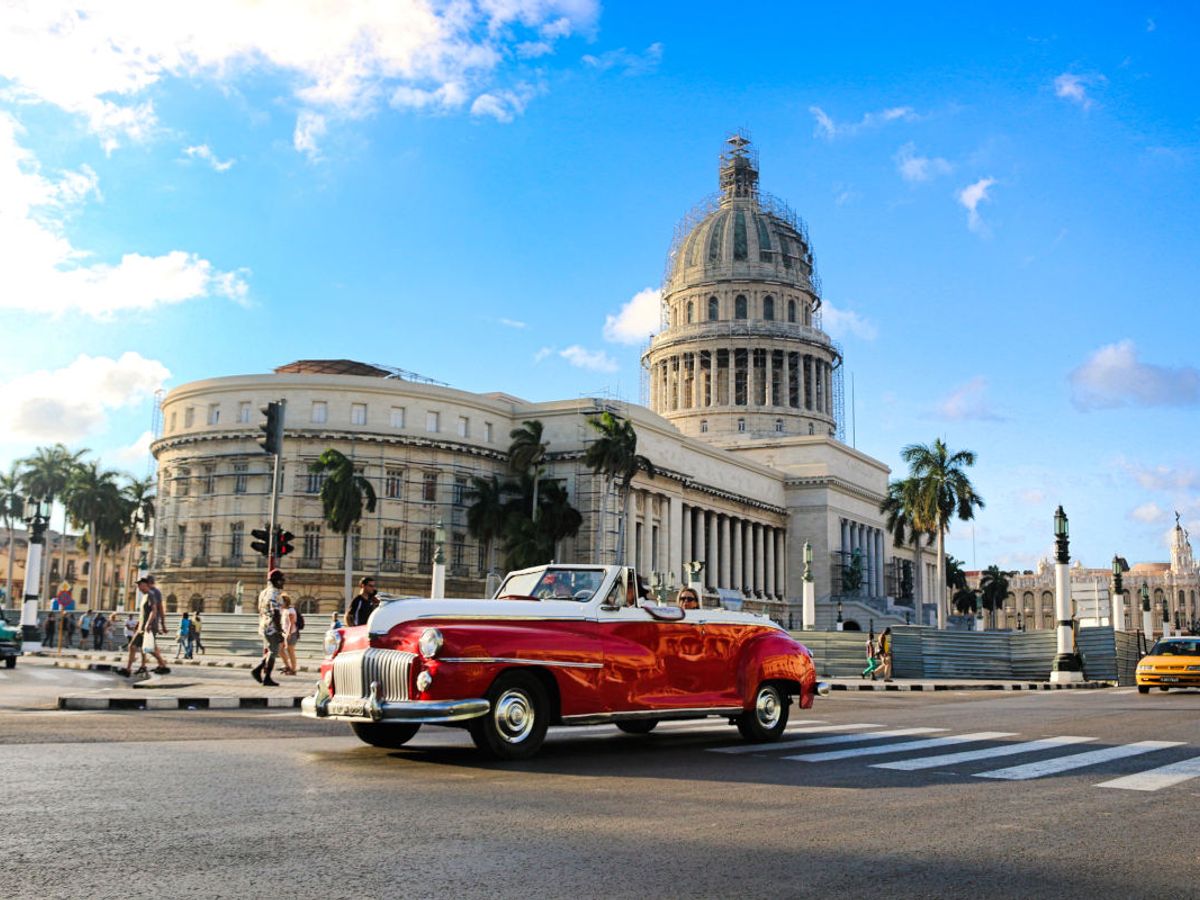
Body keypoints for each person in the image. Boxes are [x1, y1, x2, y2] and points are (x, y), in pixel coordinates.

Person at [116, 578, 170, 676]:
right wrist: (138, 624)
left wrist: (148, 624)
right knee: (132, 646)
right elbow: (144, 613)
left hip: (148, 627)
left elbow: (154, 610)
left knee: (149, 648)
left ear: (145, 585)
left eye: (139, 585)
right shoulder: (145, 596)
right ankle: (128, 669)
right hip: (142, 627)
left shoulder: (151, 595)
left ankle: (163, 665)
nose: (138, 587)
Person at [252, 569, 284, 686]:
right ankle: (267, 677)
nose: (283, 582)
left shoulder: (263, 592)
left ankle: (258, 671)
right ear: (276, 581)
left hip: (263, 625)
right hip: (271, 627)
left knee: (271, 651)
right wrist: (279, 631)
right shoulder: (274, 593)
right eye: (281, 580)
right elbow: (275, 613)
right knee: (273, 652)